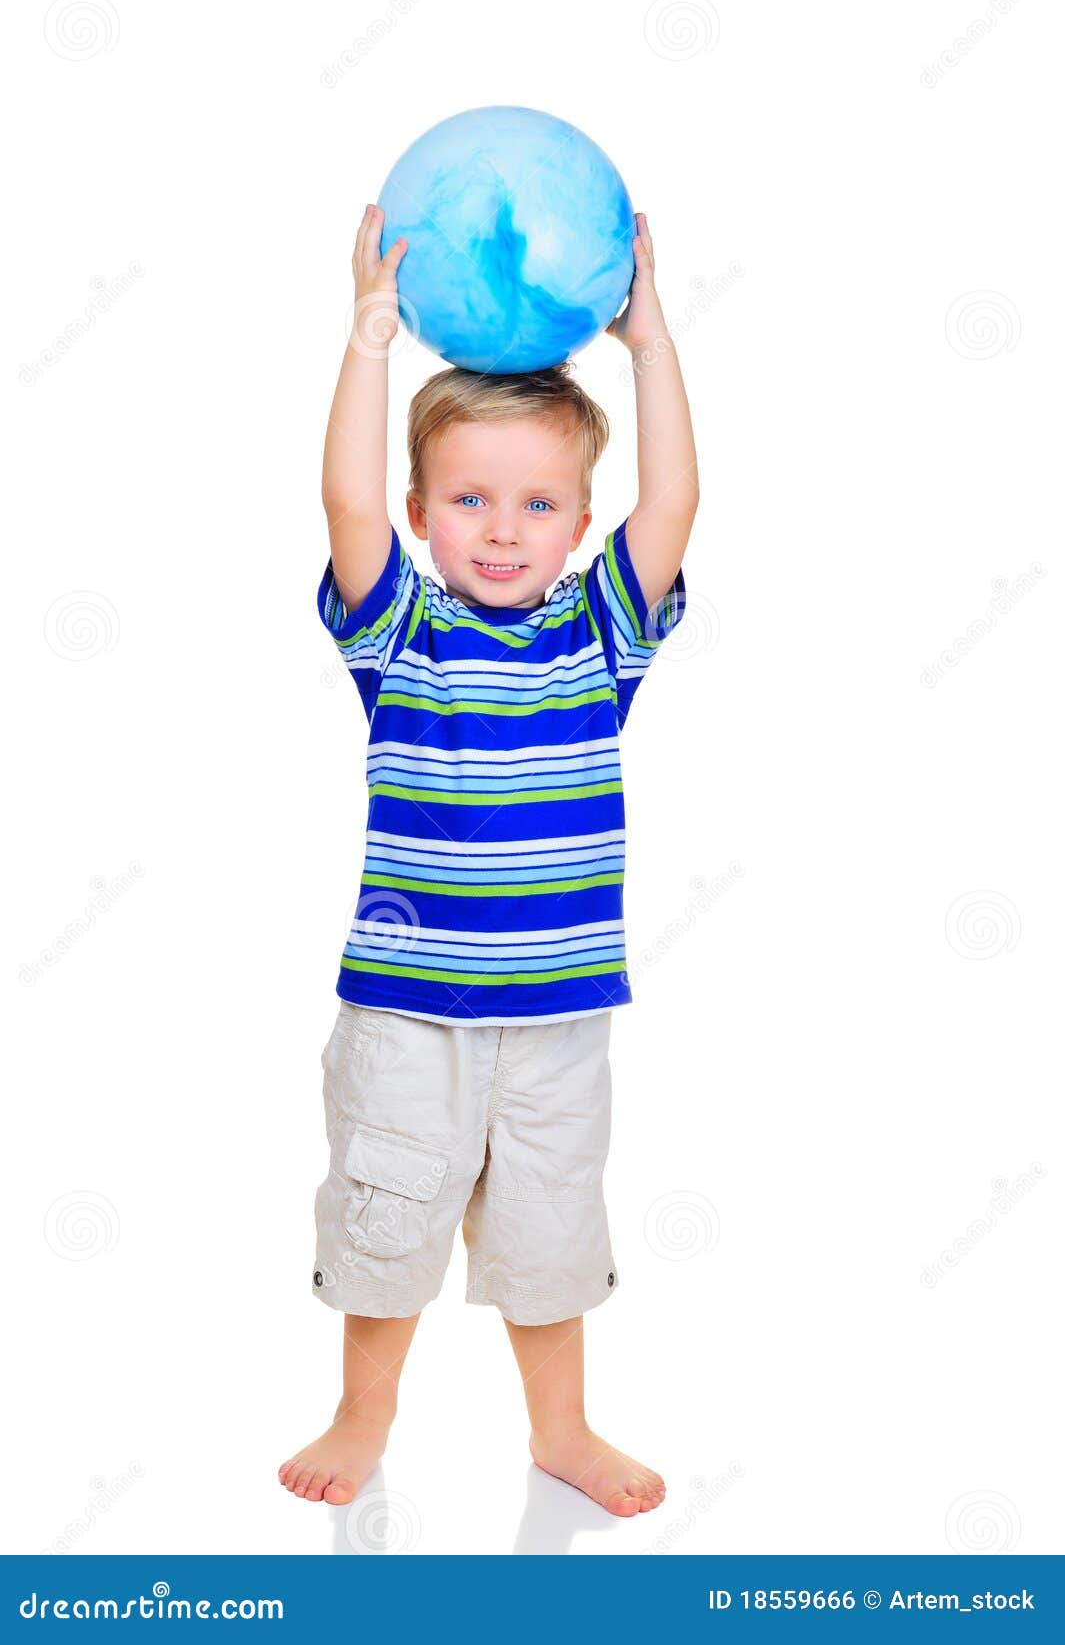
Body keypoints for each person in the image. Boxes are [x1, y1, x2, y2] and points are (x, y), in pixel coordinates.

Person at [279, 205, 699, 1515]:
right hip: (408, 1015)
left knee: (551, 1235)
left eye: (537, 503)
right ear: (421, 512)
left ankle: (560, 1428)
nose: (503, 529)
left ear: (580, 520)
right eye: (467, 499)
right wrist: (365, 338)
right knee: (388, 1219)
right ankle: (364, 1412)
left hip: (559, 1021)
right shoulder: (397, 630)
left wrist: (646, 338)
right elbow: (344, 492)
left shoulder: (601, 631)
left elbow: (676, 496)